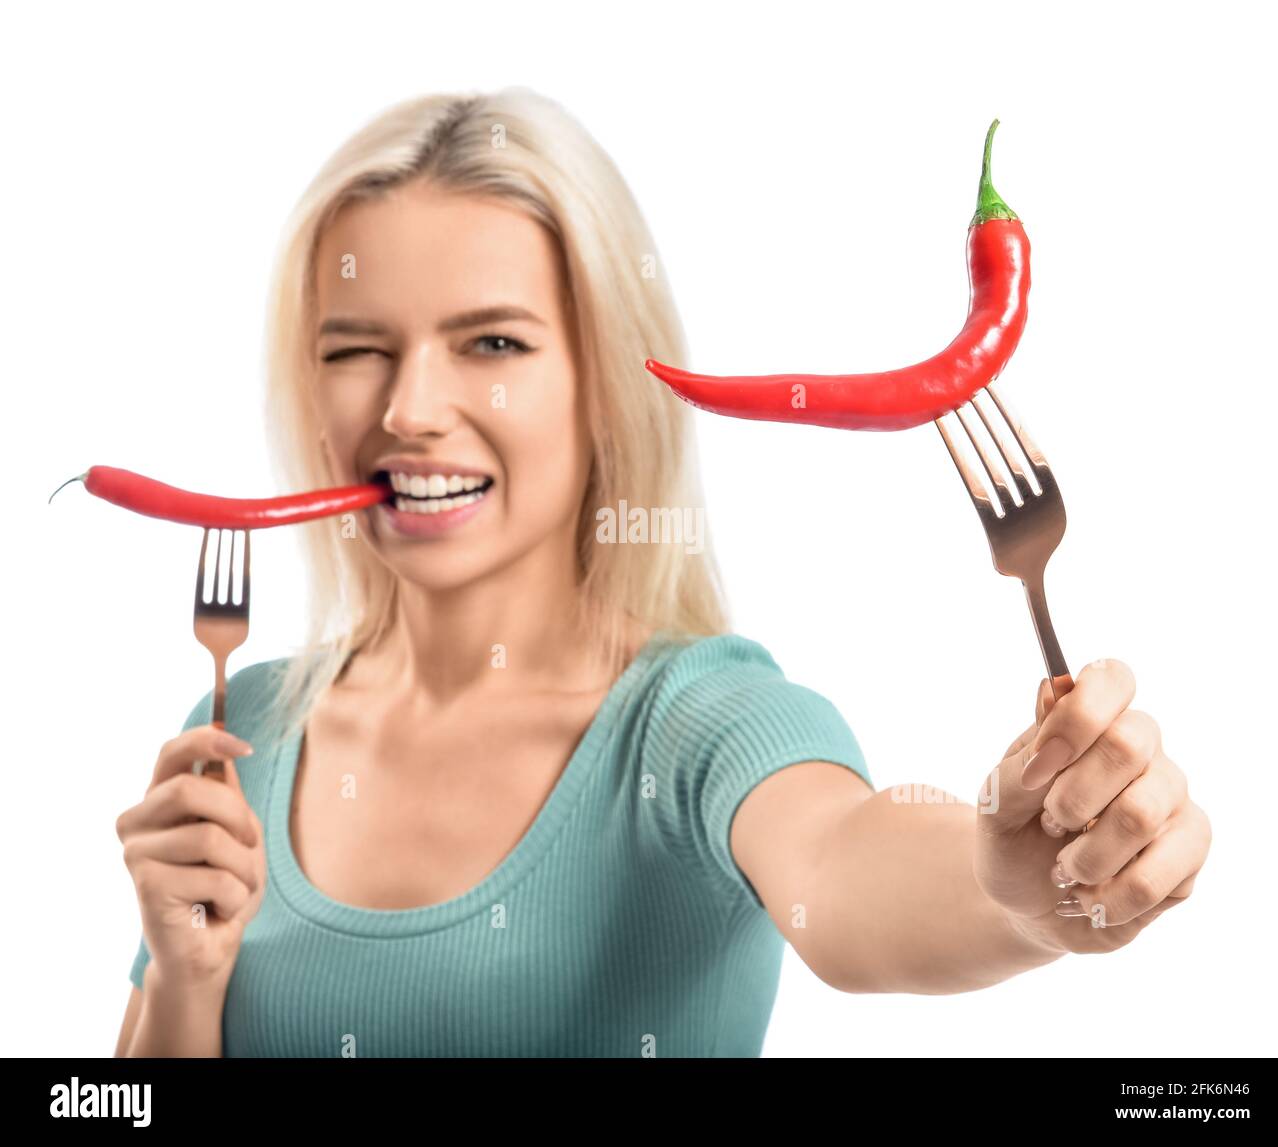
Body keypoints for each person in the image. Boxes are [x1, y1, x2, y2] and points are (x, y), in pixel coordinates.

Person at [113, 87, 1211, 1058]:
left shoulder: (700, 720)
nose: (406, 409)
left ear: (602, 388)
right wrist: (182, 977)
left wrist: (1012, 887)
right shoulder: (240, 723)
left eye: (492, 344)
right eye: (356, 348)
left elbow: (844, 873)